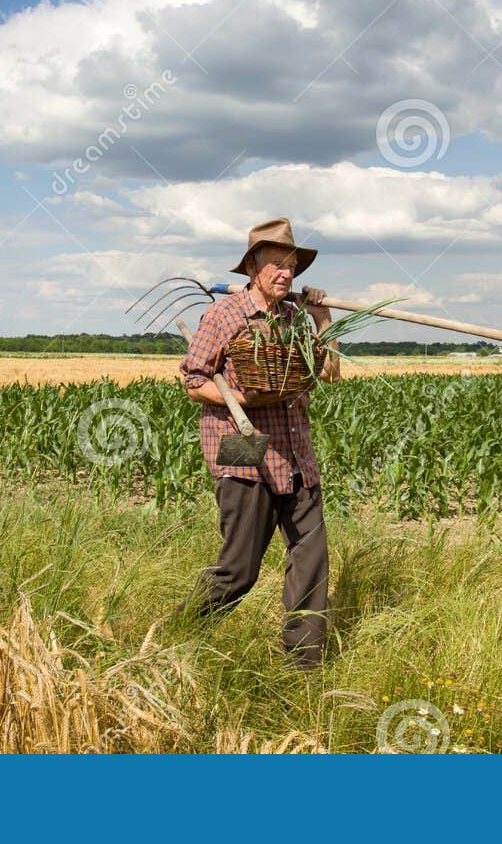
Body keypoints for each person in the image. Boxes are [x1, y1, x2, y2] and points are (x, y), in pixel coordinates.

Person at [176, 217, 340, 668]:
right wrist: (244, 398)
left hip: (295, 452)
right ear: (252, 267)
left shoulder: (295, 317)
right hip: (243, 448)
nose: (286, 274)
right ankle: (179, 634)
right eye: (276, 265)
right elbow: (194, 382)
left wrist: (323, 320)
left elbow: (330, 374)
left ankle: (303, 666)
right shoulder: (225, 315)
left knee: (311, 563)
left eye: (292, 266)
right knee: (239, 569)